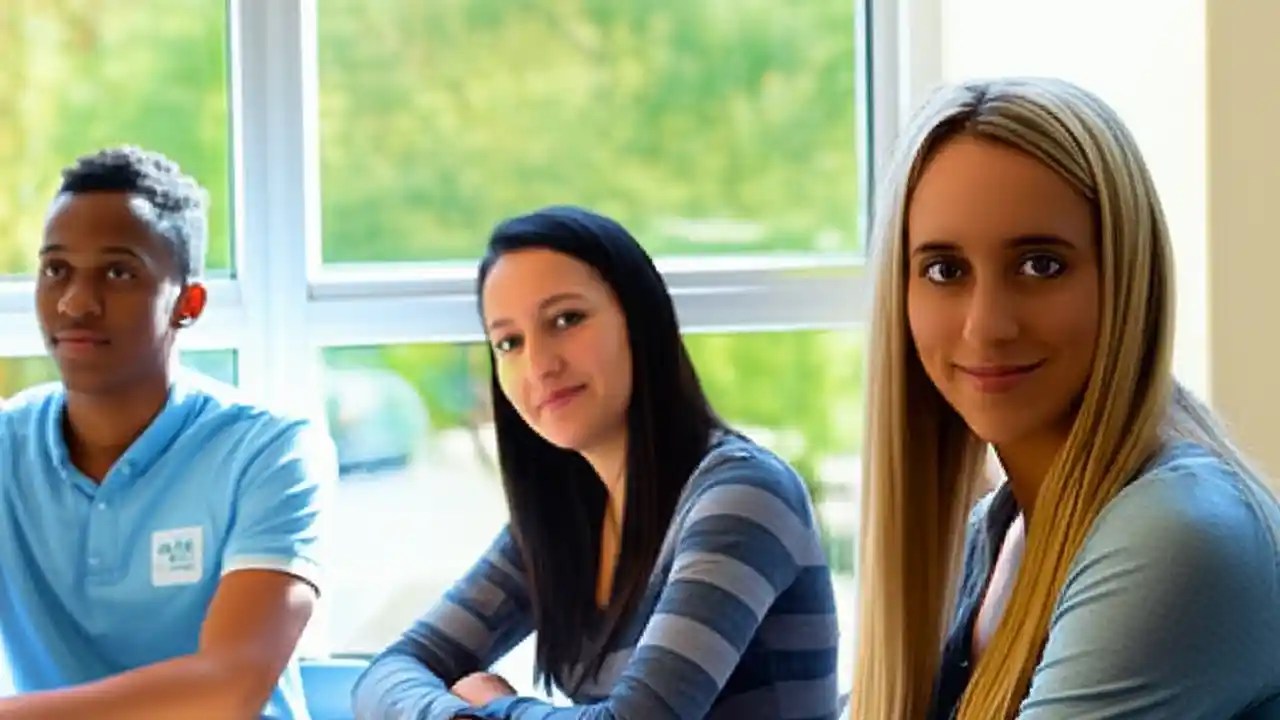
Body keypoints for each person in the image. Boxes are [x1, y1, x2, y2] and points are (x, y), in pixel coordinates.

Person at [849, 76, 1280, 719]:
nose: (986, 325)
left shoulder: (1177, 533)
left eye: (1041, 265)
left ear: (1128, 276)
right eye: (945, 270)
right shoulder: (993, 536)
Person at [351, 206, 840, 719]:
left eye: (566, 319)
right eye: (509, 342)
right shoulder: (564, 519)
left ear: (639, 320)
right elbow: (385, 675)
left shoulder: (743, 496)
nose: (539, 364)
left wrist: (498, 708)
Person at [0, 146, 336, 719]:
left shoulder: (271, 451)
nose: (77, 302)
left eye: (118, 272)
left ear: (189, 303)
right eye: (56, 270)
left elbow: (228, 687)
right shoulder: (9, 446)